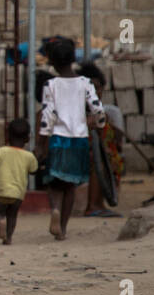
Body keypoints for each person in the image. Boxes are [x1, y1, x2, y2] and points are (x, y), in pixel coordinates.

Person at [36, 37, 106, 240]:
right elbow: (98, 110)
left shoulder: (51, 84)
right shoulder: (85, 83)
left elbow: (47, 115)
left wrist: (41, 144)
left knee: (55, 183)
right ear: (73, 59)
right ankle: (63, 229)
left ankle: (55, 210)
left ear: (53, 63)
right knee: (70, 187)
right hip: (79, 140)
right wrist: (98, 129)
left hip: (58, 138)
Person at [79, 63, 124, 218]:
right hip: (84, 154)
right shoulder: (78, 112)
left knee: (107, 159)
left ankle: (99, 203)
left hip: (104, 153)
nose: (94, 93)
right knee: (97, 159)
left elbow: (118, 142)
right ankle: (93, 206)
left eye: (97, 88)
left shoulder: (107, 112)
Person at [0, 118, 38, 245]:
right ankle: (8, 238)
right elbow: (34, 171)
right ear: (28, 138)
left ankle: (0, 222)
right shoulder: (29, 156)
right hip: (17, 194)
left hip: (0, 191)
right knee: (12, 216)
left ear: (7, 136)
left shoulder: (1, 151)